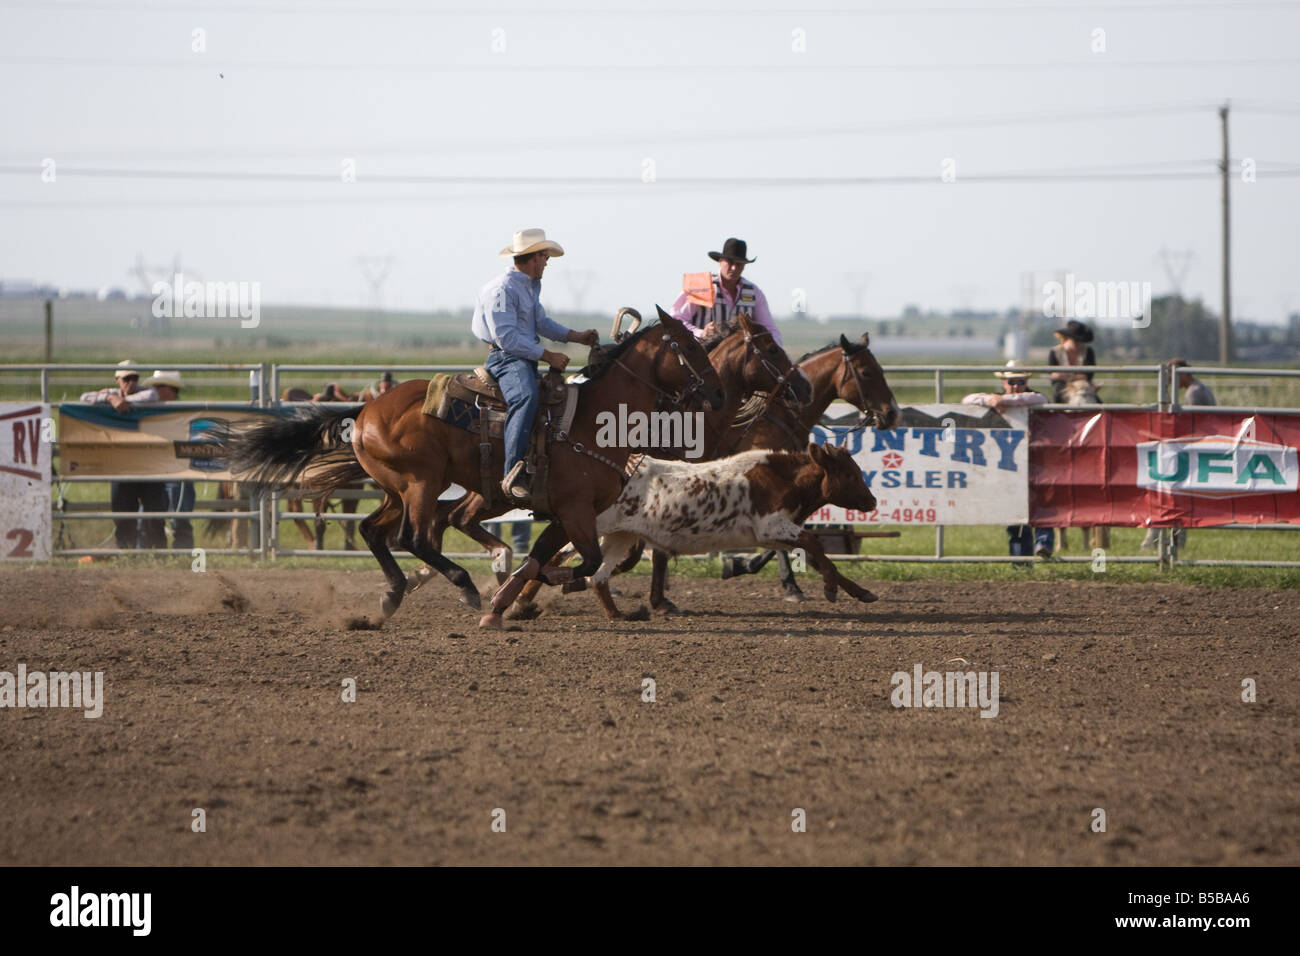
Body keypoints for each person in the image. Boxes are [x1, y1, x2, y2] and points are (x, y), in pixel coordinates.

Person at [471, 228, 599, 502]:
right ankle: (512, 473)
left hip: (521, 357)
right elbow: (506, 338)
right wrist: (547, 355)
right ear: (532, 257)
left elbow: (540, 323)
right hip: (506, 359)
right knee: (526, 397)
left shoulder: (526, 287)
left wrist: (575, 337)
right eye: (544, 256)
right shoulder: (502, 290)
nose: (547, 262)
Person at [963, 360, 1054, 562]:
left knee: (1042, 502)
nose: (1015, 386)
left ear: (1026, 381)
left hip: (1035, 459)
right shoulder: (998, 398)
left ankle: (1043, 544)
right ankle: (1021, 561)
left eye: (1020, 381)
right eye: (1011, 382)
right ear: (1003, 382)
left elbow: (1039, 398)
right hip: (1009, 462)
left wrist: (1003, 401)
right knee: (1015, 512)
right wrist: (991, 399)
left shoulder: (1034, 398)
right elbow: (967, 400)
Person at [79, 360, 167, 549]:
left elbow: (151, 396)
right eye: (126, 378)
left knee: (155, 513)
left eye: (134, 378)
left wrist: (117, 400)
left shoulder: (147, 394)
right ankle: (125, 552)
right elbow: (84, 397)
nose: (131, 383)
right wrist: (111, 399)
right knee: (123, 512)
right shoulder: (111, 395)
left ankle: (157, 553)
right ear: (117, 380)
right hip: (122, 463)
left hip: (148, 463)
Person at [1142, 358, 1217, 552]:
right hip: (1196, 448)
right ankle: (1170, 540)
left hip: (1192, 449)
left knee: (1171, 491)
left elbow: (1193, 423)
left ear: (1182, 374)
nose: (1170, 381)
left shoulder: (1194, 393)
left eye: (1171, 376)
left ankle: (1162, 540)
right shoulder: (1199, 389)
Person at [670, 237, 783, 347]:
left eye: (739, 264)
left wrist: (777, 351)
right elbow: (676, 319)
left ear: (744, 266)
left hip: (738, 357)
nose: (733, 268)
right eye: (730, 262)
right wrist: (700, 333)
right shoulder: (702, 284)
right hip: (702, 356)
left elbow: (769, 328)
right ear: (720, 261)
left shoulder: (753, 292)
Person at [145, 371, 195, 551]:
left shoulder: (182, 411)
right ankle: (154, 549)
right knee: (151, 513)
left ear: (171, 390)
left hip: (176, 468)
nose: (155, 391)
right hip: (158, 466)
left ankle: (181, 550)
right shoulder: (148, 408)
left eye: (160, 387)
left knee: (179, 511)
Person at [1047, 319, 1096, 403]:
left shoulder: (1088, 351)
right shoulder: (1055, 352)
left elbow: (1088, 375)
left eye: (1082, 341)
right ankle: (1053, 412)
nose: (1079, 344)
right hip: (1062, 385)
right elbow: (1053, 374)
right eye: (1076, 340)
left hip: (1083, 385)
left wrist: (1065, 375)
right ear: (1068, 338)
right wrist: (1076, 376)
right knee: (1057, 392)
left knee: (1096, 400)